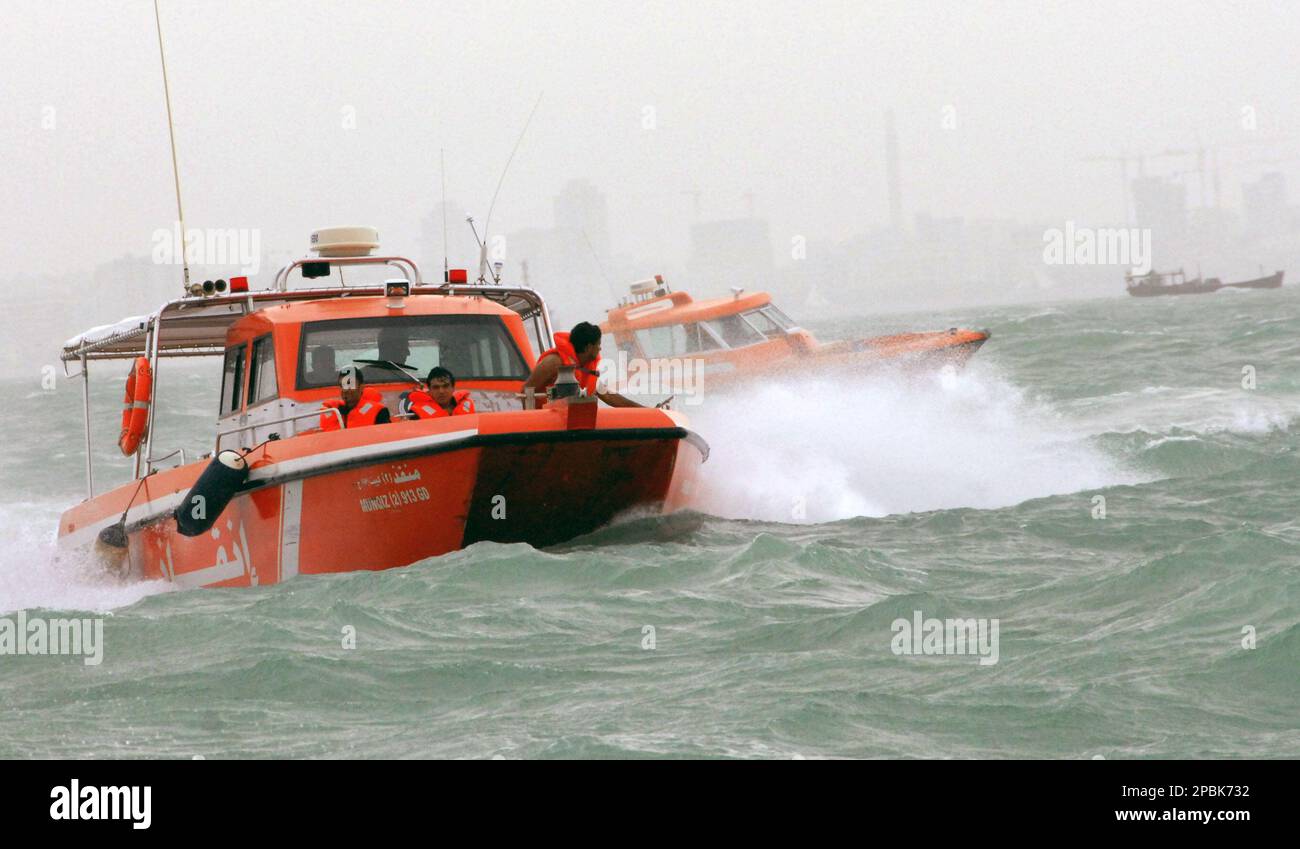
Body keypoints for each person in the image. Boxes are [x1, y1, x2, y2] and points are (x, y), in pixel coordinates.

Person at [522, 321, 643, 408]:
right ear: (589, 347)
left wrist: (646, 411)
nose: (600, 349)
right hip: (546, 422)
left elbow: (612, 398)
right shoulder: (554, 362)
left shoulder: (586, 369)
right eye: (598, 344)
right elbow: (525, 392)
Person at [320, 366, 391, 430]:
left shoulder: (380, 413)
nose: (345, 390)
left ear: (361, 387)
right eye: (342, 385)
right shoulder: (334, 411)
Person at [402, 366, 476, 419]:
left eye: (445, 386)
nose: (441, 391)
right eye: (436, 387)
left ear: (453, 388)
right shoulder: (415, 414)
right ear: (429, 390)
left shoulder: (469, 406)